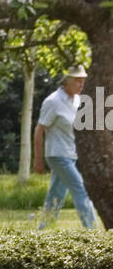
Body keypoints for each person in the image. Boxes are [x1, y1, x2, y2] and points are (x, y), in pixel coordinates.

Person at [33, 64, 98, 230]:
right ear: (67, 81)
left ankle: (43, 230)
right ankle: (94, 233)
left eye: (83, 81)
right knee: (81, 190)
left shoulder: (77, 100)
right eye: (78, 81)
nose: (81, 85)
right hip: (57, 155)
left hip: (71, 155)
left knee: (56, 196)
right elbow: (39, 130)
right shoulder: (53, 101)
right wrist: (38, 160)